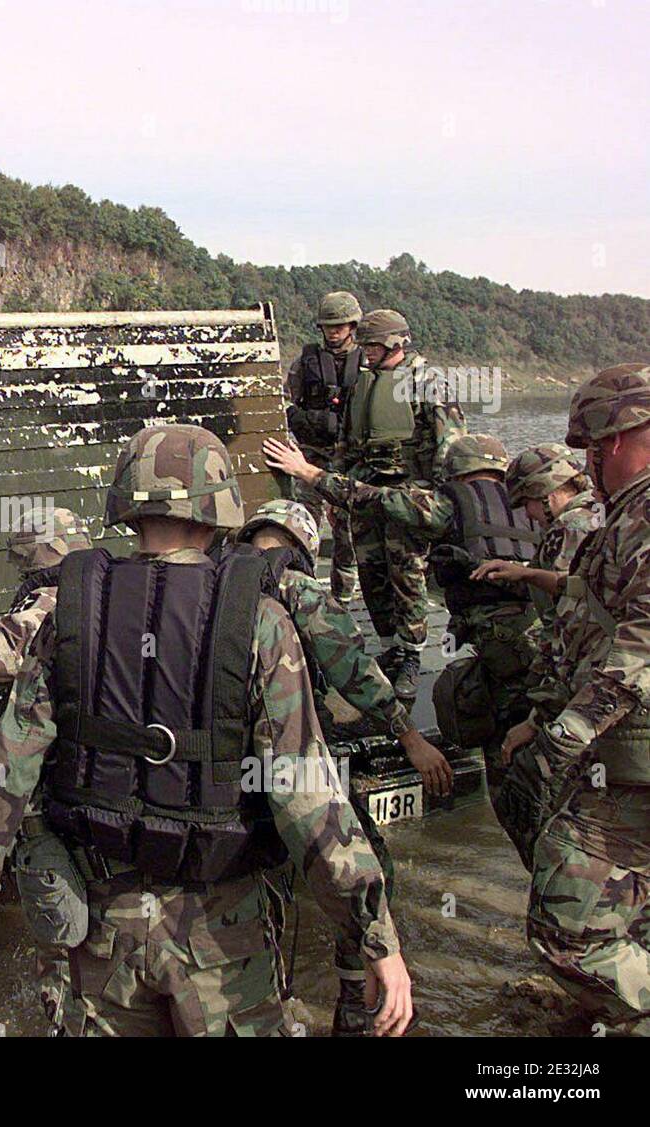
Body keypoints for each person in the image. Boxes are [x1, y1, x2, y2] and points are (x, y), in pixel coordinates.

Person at [0, 424, 413, 1036]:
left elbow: (9, 768)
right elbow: (307, 797)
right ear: (218, 505)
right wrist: (373, 935)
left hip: (100, 923)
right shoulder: (260, 621)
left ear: (128, 503)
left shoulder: (69, 614)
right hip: (223, 932)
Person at [232, 498, 449, 1032]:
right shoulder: (298, 587)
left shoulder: (218, 582)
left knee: (259, 890)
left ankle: (270, 1001)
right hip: (294, 762)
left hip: (225, 772)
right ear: (303, 547)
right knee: (368, 867)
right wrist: (410, 736)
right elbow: (353, 669)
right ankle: (359, 998)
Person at [497, 365, 650, 1032]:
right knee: (628, 908)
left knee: (565, 920)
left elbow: (641, 638)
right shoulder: (622, 518)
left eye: (592, 446)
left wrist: (565, 732)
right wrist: (541, 717)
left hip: (626, 754)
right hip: (621, 756)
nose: (589, 462)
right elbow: (591, 613)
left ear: (613, 440)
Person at [264, 433, 540, 782]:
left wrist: (308, 472)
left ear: (455, 472)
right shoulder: (532, 508)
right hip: (542, 641)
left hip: (500, 647)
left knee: (501, 745)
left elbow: (374, 499)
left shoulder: (447, 504)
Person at [0, 506, 92, 1031]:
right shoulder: (110, 590)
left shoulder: (50, 601)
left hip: (50, 792)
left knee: (60, 944)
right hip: (107, 790)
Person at [331, 309, 465, 702]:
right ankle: (390, 644)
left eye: (372, 345)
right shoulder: (362, 383)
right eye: (365, 345)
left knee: (407, 574)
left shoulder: (428, 383)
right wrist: (339, 492)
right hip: (368, 492)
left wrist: (438, 501)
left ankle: (410, 652)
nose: (366, 352)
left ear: (394, 343)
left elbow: (450, 444)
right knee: (372, 571)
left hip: (410, 495)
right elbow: (346, 440)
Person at [284, 292, 363, 599]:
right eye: (329, 326)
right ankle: (304, 592)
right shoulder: (305, 362)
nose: (334, 331)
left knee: (347, 531)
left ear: (352, 325)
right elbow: (289, 405)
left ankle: (343, 598)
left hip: (350, 457)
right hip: (311, 455)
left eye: (340, 325)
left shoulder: (368, 363)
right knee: (304, 522)